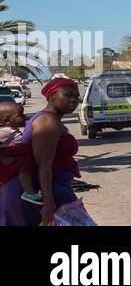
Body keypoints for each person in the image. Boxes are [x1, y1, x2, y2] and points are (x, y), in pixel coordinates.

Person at [1, 77, 82, 226]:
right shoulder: (47, 121)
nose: (73, 100)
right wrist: (48, 202)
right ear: (51, 97)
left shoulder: (50, 119)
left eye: (76, 96)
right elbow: (44, 164)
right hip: (38, 194)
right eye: (67, 95)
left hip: (49, 189)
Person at [0, 101, 39, 205]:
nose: (24, 117)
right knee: (25, 167)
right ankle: (29, 192)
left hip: (14, 158)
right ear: (7, 120)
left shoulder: (13, 129)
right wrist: (3, 158)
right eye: (20, 115)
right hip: (8, 162)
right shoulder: (5, 132)